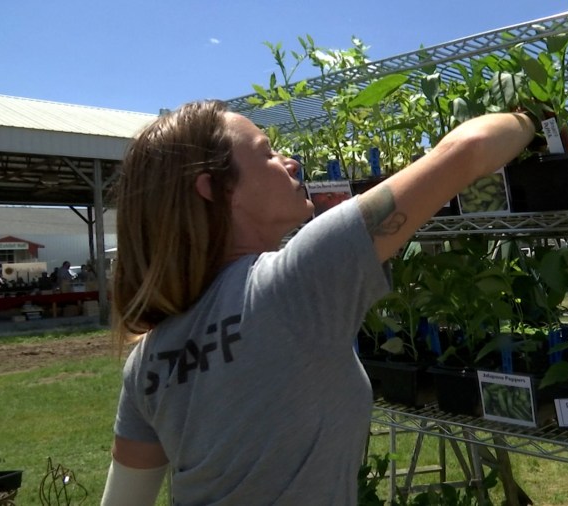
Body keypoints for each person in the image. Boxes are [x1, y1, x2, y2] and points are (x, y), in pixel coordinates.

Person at [100, 100, 536, 505]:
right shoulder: (293, 282)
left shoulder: (148, 359)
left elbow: (123, 500)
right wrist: (530, 120)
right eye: (267, 154)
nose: (291, 163)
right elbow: (468, 149)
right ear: (213, 188)